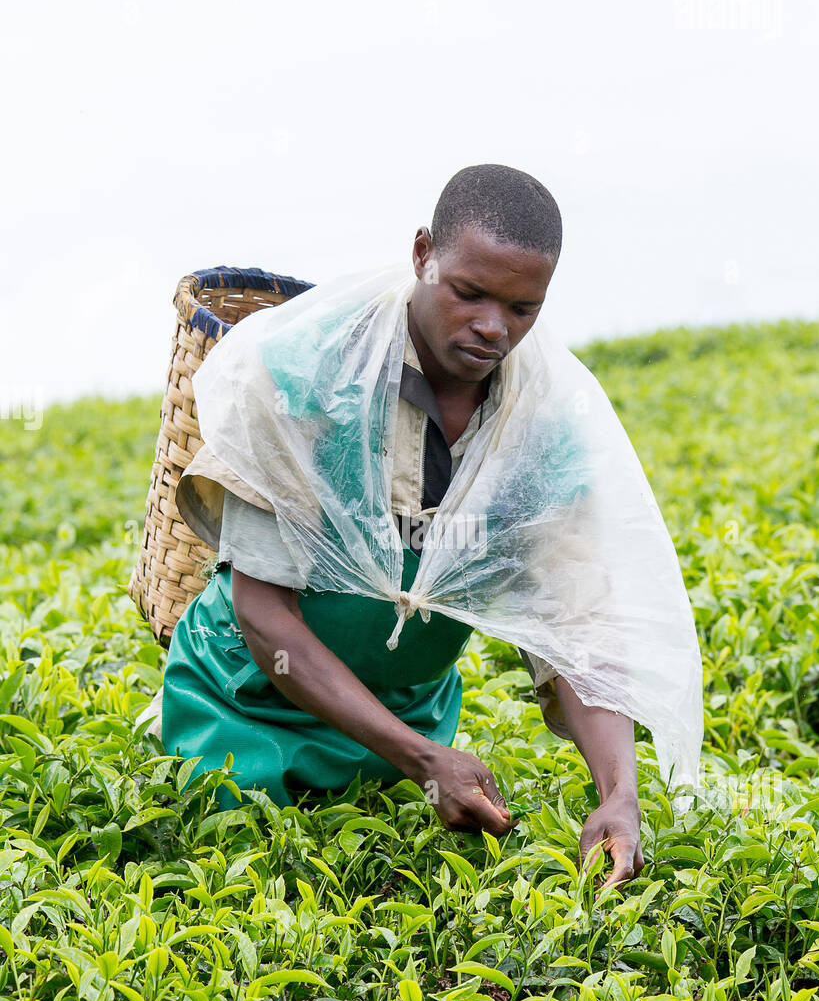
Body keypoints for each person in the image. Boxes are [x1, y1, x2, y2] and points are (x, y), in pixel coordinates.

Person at [159, 164, 687, 888]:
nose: (493, 327)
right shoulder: (308, 376)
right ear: (421, 255)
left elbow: (579, 629)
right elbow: (263, 614)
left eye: (523, 308)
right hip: (247, 714)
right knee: (238, 880)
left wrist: (617, 795)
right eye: (469, 293)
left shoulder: (541, 422)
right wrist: (422, 760)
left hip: (408, 727)